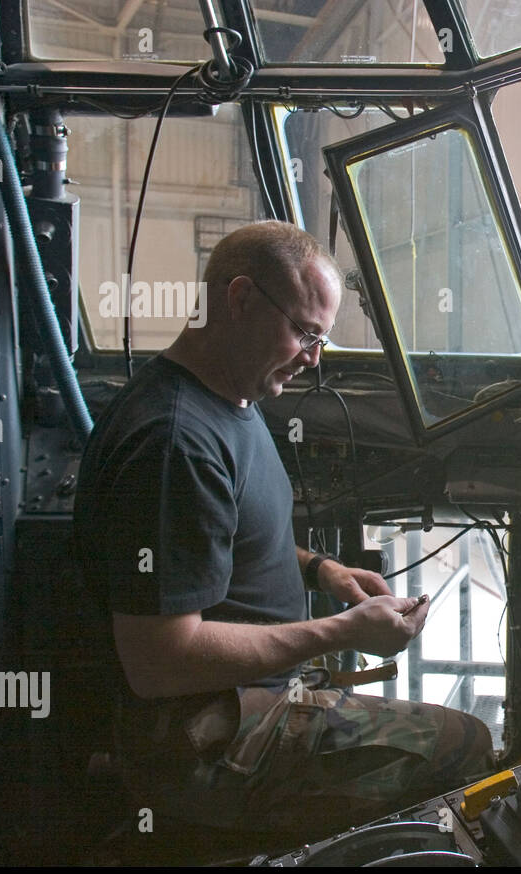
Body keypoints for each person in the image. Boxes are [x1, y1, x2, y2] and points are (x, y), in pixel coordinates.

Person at [73, 221, 494, 837]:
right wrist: (339, 631)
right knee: (466, 747)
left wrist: (320, 570)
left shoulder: (231, 401)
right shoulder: (175, 442)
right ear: (240, 300)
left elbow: (230, 537)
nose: (314, 359)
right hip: (197, 740)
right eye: (305, 332)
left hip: (245, 698)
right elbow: (157, 660)